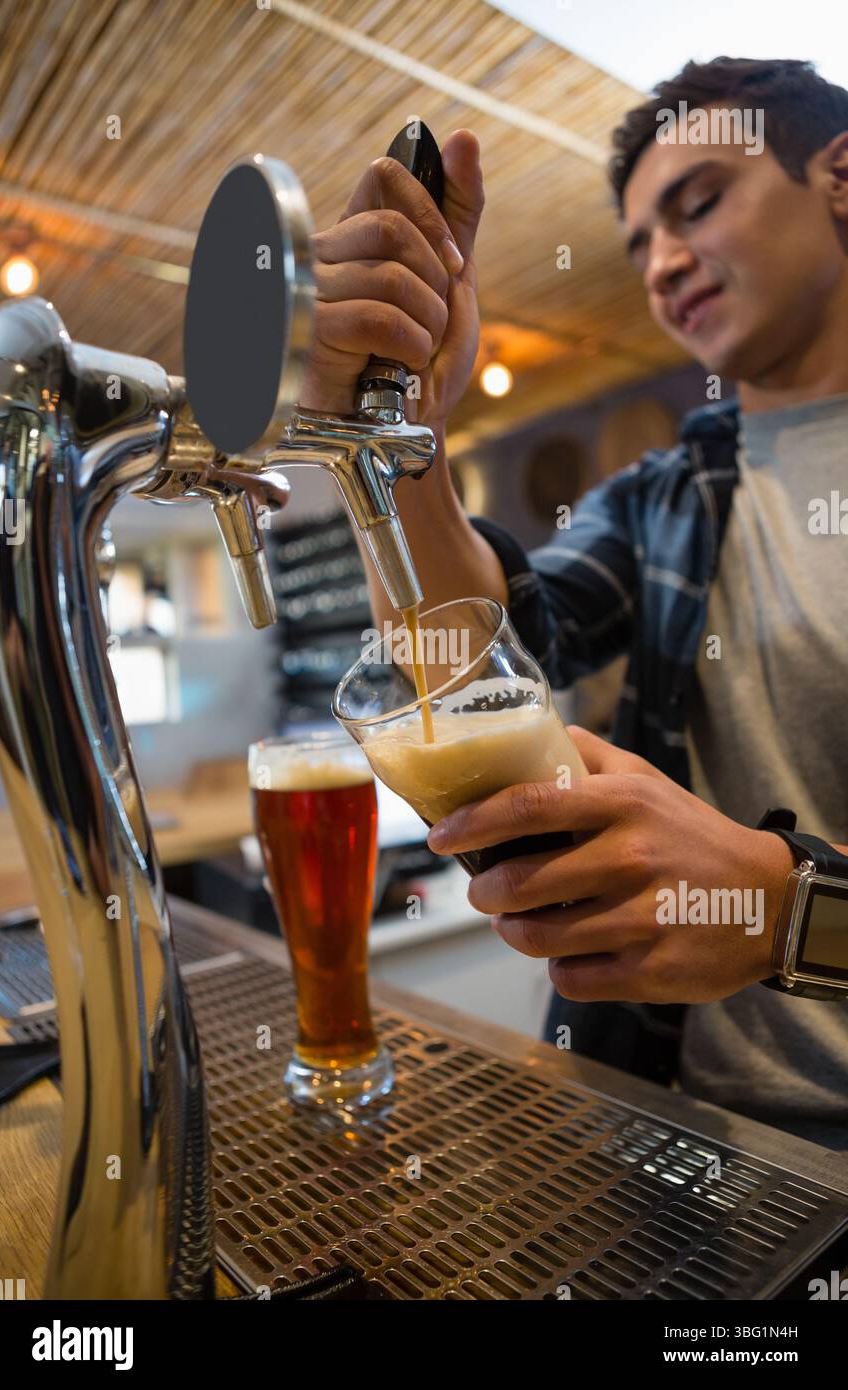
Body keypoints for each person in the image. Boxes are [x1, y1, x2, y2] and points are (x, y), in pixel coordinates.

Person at [300, 57, 848, 1151]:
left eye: (697, 204)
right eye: (639, 241)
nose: (662, 264)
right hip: (672, 1135)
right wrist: (394, 431)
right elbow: (477, 674)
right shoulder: (662, 499)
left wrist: (789, 914)